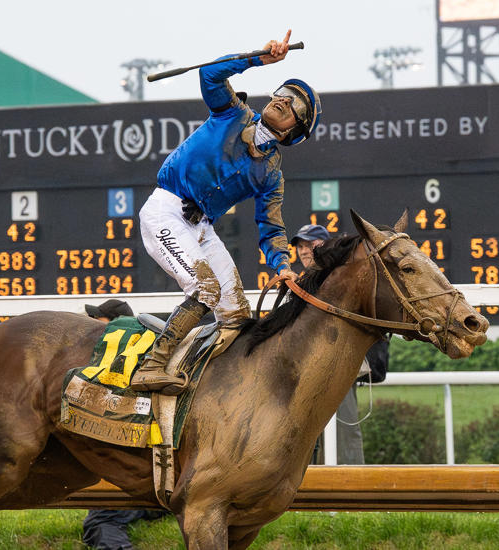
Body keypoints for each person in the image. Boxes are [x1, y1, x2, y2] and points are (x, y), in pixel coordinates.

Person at [132, 29, 322, 395]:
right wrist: (260, 58)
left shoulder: (272, 175)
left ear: (293, 133)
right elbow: (211, 74)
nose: (283, 101)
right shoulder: (231, 112)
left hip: (202, 228)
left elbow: (271, 227)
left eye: (294, 105)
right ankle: (152, 365)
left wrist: (282, 267)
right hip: (165, 212)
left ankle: (207, 383)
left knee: (236, 314)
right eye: (283, 93)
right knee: (205, 288)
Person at [290, 224, 389, 464]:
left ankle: (355, 490)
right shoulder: (305, 280)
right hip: (311, 368)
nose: (303, 251)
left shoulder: (340, 276)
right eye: (300, 246)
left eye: (309, 244)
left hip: (339, 365)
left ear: (324, 246)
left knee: (343, 431)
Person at [81, 299, 166, 550]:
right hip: (161, 474)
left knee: (102, 520)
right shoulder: (151, 356)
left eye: (99, 319)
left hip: (138, 472)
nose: (93, 324)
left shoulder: (116, 362)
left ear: (115, 325)